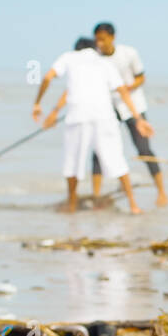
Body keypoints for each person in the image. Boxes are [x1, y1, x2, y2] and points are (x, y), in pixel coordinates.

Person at [32, 37, 152, 214]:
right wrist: (138, 118)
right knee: (117, 160)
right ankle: (133, 205)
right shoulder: (104, 63)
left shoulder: (69, 57)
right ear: (95, 48)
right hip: (105, 117)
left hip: (77, 116)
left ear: (76, 49)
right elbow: (122, 91)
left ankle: (71, 206)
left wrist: (38, 104)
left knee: (72, 163)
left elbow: (48, 77)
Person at [90, 22, 168, 207]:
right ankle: (96, 196)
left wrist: (126, 88)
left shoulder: (129, 53)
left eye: (103, 39)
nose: (99, 43)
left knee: (143, 149)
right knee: (99, 151)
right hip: (108, 109)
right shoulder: (95, 58)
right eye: (97, 39)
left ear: (112, 37)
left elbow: (141, 77)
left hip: (133, 106)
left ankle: (162, 192)